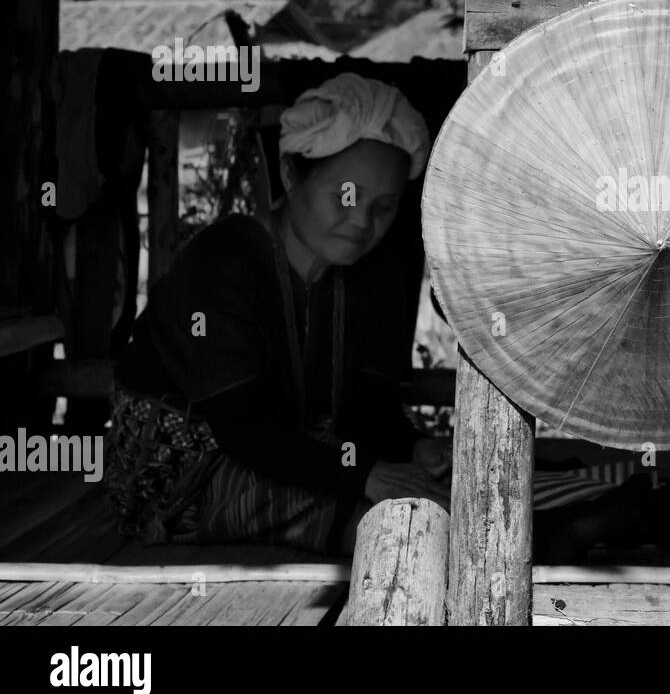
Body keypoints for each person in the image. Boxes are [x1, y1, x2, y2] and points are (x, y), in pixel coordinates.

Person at [108, 73, 449, 555]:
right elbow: (245, 428)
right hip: (188, 475)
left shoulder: (375, 276)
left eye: (384, 206)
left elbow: (367, 409)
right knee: (402, 528)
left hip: (305, 458)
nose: (361, 222)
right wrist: (367, 473)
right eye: (345, 196)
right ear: (291, 174)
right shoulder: (221, 262)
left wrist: (413, 448)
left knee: (450, 499)